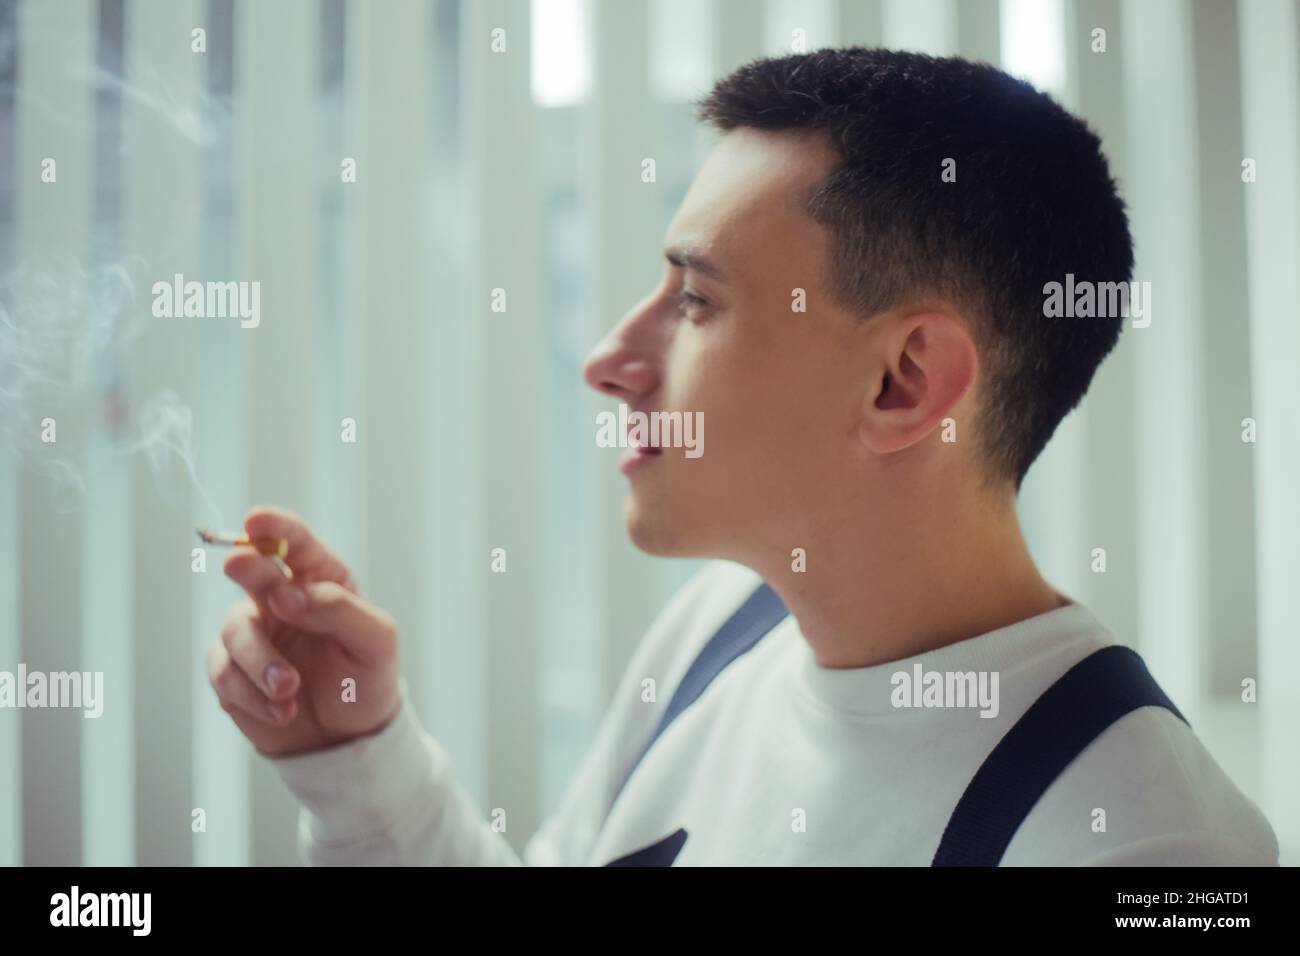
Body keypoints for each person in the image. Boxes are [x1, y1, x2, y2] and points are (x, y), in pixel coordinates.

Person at [207, 47, 1279, 865]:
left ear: (902, 381)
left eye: (694, 299)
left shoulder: (1144, 850)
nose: (607, 359)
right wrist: (357, 759)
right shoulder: (726, 625)